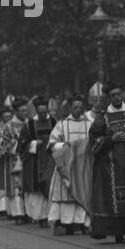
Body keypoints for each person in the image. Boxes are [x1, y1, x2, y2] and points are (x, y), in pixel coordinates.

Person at [88, 86, 125, 243]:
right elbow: (94, 141)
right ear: (109, 98)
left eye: (118, 94)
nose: (116, 98)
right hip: (110, 166)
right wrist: (110, 139)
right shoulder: (103, 118)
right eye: (113, 95)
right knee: (114, 200)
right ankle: (118, 233)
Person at [48, 94, 93, 234]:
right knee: (66, 196)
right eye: (75, 107)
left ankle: (83, 223)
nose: (78, 110)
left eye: (80, 107)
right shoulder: (62, 124)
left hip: (84, 165)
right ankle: (66, 223)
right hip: (66, 165)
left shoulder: (89, 124)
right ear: (70, 108)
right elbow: (52, 144)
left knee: (83, 192)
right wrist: (64, 145)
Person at [20, 96, 56, 226]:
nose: (42, 115)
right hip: (35, 162)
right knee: (38, 192)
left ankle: (50, 216)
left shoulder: (53, 121)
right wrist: (34, 143)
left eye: (44, 112)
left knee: (50, 187)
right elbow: (22, 144)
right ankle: (40, 217)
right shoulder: (29, 125)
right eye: (40, 112)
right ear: (36, 111)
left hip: (50, 160)